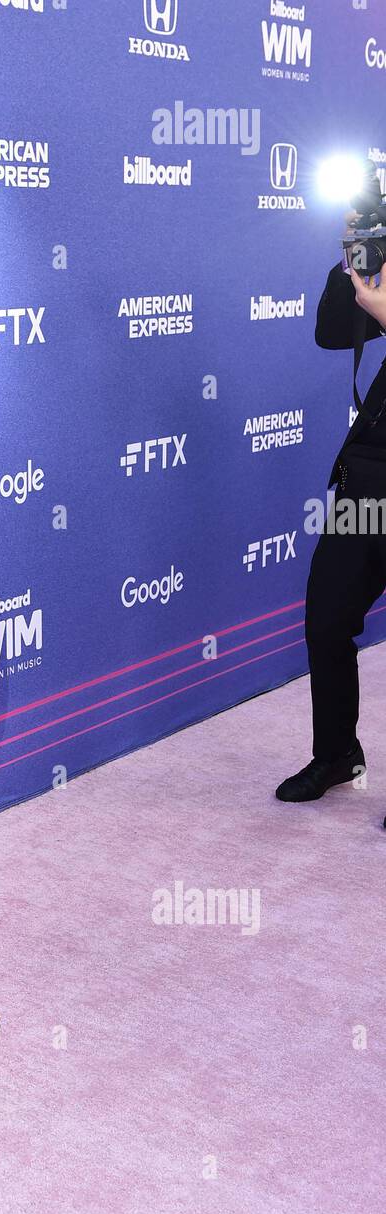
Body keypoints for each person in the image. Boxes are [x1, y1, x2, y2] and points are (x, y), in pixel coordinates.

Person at [275, 205, 386, 814]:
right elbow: (333, 332)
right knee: (326, 616)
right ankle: (337, 753)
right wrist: (356, 253)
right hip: (366, 481)